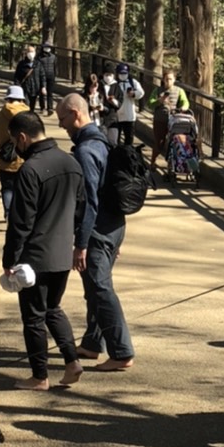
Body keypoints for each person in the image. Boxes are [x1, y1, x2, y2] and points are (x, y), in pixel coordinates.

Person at [2, 110, 85, 391]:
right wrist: (76, 243)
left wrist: (10, 260)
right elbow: (81, 210)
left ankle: (39, 376)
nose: (16, 147)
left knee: (33, 317)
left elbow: (20, 221)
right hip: (62, 252)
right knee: (53, 309)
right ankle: (72, 362)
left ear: (22, 137)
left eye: (15, 141)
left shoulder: (30, 169)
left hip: (35, 258)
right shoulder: (71, 162)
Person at [56, 93, 135, 371]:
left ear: (76, 114)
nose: (60, 125)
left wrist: (82, 242)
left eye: (62, 118)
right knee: (95, 287)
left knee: (101, 289)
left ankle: (122, 352)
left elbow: (88, 201)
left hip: (99, 229)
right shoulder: (102, 139)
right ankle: (92, 343)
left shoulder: (86, 151)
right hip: (114, 226)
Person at [0, 84, 29, 218]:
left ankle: (7, 213)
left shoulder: (1, 115)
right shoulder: (28, 115)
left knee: (7, 188)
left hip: (5, 159)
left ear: (8, 98)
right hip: (24, 158)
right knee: (23, 189)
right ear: (21, 99)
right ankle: (21, 215)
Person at [148, 70, 191, 169]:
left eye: (170, 79)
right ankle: (153, 161)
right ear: (163, 79)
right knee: (159, 141)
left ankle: (171, 163)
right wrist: (159, 101)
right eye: (166, 79)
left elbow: (185, 102)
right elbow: (150, 103)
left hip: (174, 120)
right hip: (160, 119)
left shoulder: (179, 91)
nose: (168, 81)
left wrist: (183, 107)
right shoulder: (157, 90)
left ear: (174, 80)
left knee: (174, 142)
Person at [103, 62, 144, 146]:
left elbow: (141, 92)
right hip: (116, 116)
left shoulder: (133, 82)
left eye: (125, 73)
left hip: (129, 115)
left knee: (129, 138)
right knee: (115, 139)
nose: (123, 75)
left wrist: (133, 94)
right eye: (120, 73)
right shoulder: (114, 83)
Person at [36, 42, 59, 114]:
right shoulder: (39, 57)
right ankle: (42, 107)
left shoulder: (53, 57)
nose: (47, 48)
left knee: (50, 93)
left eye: (49, 47)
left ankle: (50, 108)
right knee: (41, 93)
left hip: (51, 76)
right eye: (46, 47)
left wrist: (55, 75)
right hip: (41, 77)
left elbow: (55, 67)